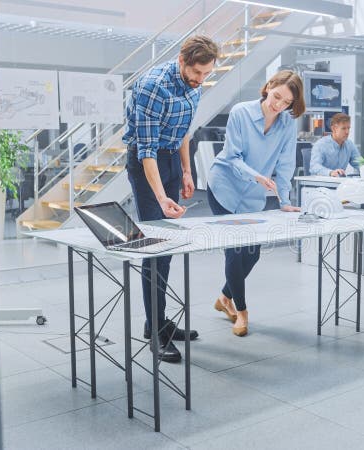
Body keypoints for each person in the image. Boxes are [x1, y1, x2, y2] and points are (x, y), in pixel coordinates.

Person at [123, 36, 219, 362]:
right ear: (182, 59)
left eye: (206, 74)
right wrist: (162, 197)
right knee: (155, 245)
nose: (200, 80)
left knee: (169, 245)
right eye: (196, 72)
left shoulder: (196, 84)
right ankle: (156, 331)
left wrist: (187, 171)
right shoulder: (153, 86)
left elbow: (183, 131)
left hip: (171, 160)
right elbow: (146, 151)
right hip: (145, 162)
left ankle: (157, 322)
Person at [206, 70, 305, 336]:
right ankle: (242, 312)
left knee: (253, 254)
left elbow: (285, 165)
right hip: (224, 187)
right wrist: (257, 176)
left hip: (253, 196)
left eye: (286, 103)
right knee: (234, 250)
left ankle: (224, 298)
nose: (279, 105)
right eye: (277, 97)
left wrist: (284, 200)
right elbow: (232, 157)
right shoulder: (241, 112)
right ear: (269, 86)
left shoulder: (286, 125)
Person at [309, 113, 361, 177]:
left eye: (348, 128)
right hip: (321, 184)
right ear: (334, 129)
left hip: (339, 184)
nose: (347, 132)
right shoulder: (321, 145)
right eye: (343, 128)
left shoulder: (349, 145)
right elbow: (314, 167)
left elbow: (359, 163)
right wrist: (330, 172)